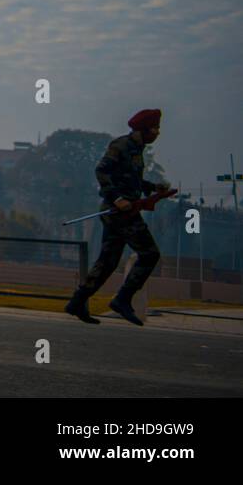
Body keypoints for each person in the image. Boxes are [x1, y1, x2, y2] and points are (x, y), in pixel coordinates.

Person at [64, 108, 169, 326]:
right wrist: (117, 198)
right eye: (155, 128)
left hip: (126, 212)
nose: (158, 133)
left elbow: (131, 179)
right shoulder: (121, 146)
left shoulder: (137, 150)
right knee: (149, 254)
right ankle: (122, 299)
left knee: (107, 262)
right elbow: (102, 171)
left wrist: (153, 187)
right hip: (120, 213)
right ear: (144, 129)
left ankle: (77, 302)